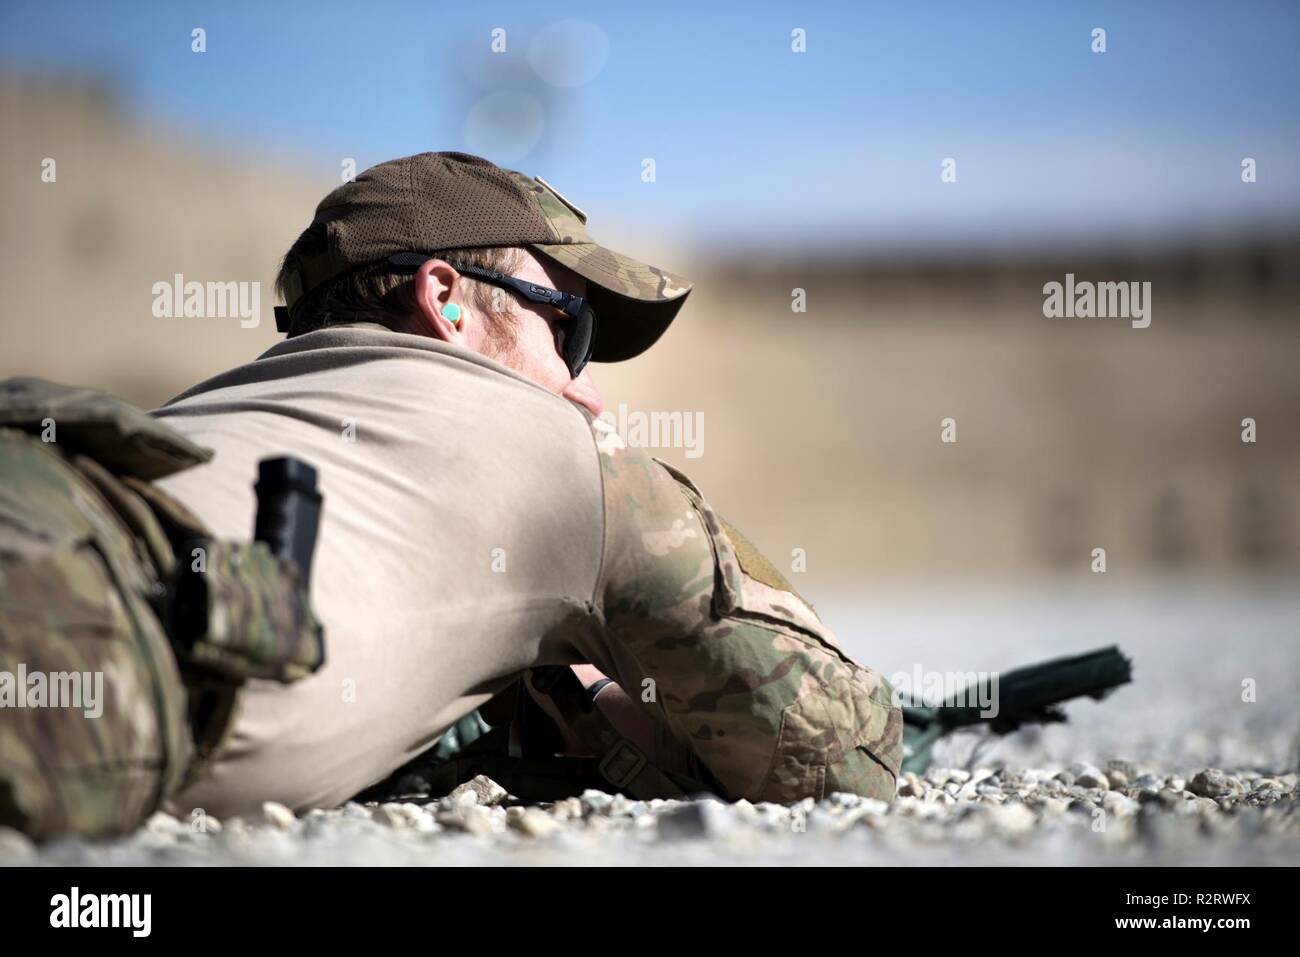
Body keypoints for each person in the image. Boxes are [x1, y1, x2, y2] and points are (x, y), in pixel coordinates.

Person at [0, 152, 900, 837]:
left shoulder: (206, 411)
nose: (584, 385)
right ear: (450, 300)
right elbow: (830, 753)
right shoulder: (565, 454)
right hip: (76, 616)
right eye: (570, 330)